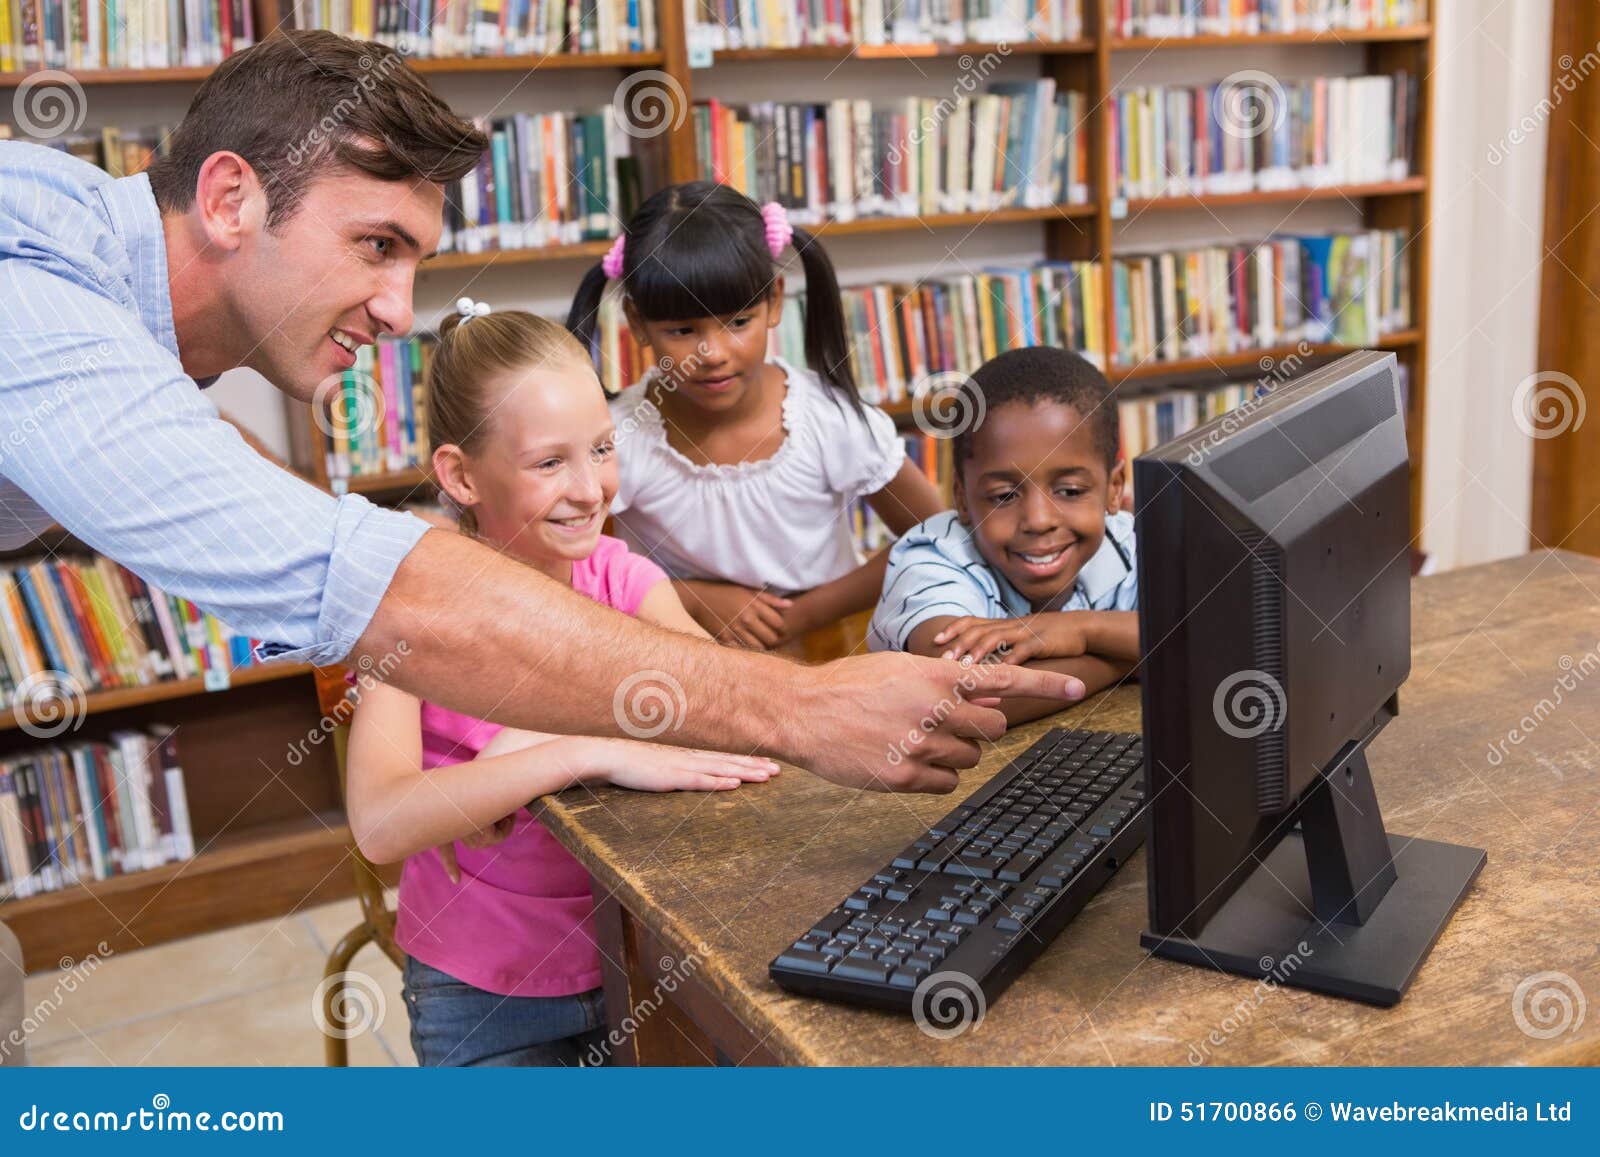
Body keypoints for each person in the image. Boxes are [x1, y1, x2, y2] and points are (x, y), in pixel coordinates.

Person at [0, 31, 1084, 800]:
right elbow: (350, 580)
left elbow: (210, 479)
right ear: (231, 197)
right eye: (375, 244)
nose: (394, 310)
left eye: (413, 261)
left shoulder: (83, 276)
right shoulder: (33, 294)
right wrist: (798, 708)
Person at [345, 304, 777, 1066]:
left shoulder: (624, 577)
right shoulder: (408, 610)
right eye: (550, 463)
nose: (590, 490)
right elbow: (381, 823)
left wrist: (500, 770)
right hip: (482, 992)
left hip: (641, 960)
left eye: (603, 449)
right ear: (460, 475)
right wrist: (576, 750)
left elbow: (727, 709)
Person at [566, 181, 946, 650]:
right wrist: (694, 599)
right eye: (683, 329)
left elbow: (935, 533)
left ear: (775, 301)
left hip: (836, 644)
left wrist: (806, 613)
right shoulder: (617, 437)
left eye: (738, 322)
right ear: (638, 324)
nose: (713, 353)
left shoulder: (829, 419)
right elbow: (574, 574)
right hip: (687, 653)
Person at [869, 347, 1141, 723]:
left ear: (1114, 489)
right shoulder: (931, 557)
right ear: (962, 499)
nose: (1039, 520)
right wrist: (1128, 660)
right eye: (1004, 496)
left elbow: (1213, 631)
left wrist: (1079, 629)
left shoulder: (1130, 542)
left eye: (1071, 491)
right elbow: (968, 693)